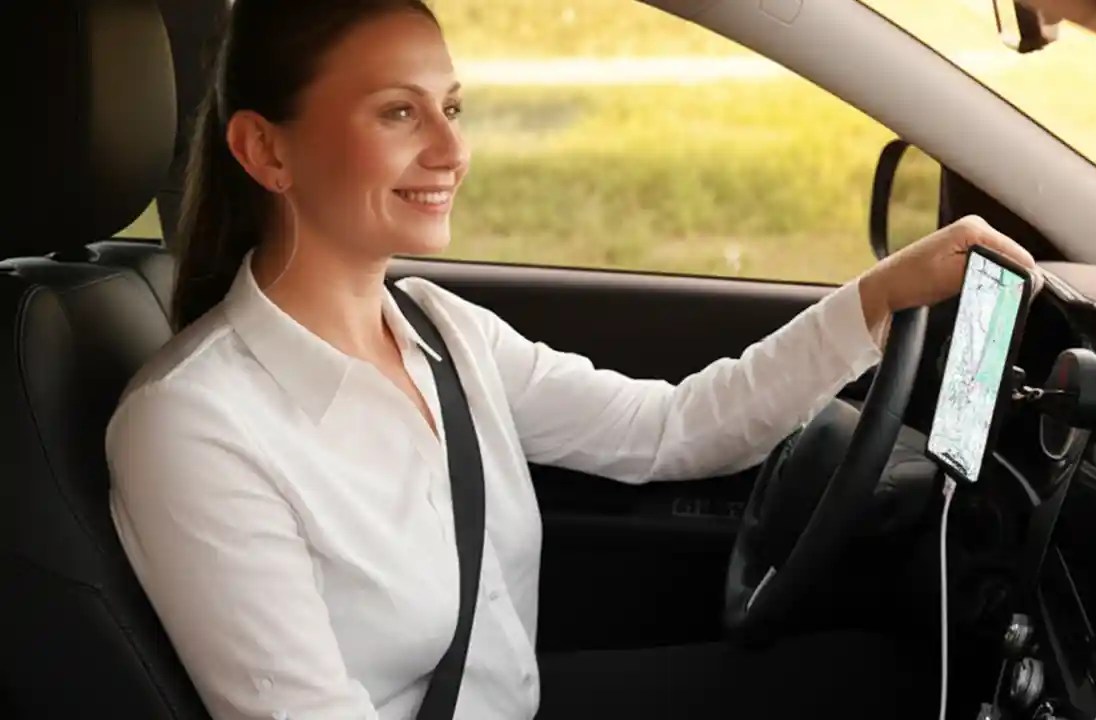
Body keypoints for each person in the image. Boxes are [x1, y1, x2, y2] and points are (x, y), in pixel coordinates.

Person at [105, 1, 1037, 719]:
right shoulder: (192, 427)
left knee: (869, 678)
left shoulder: (439, 328)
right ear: (265, 150)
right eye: (398, 113)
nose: (452, 149)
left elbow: (672, 430)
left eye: (452, 107)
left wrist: (880, 296)